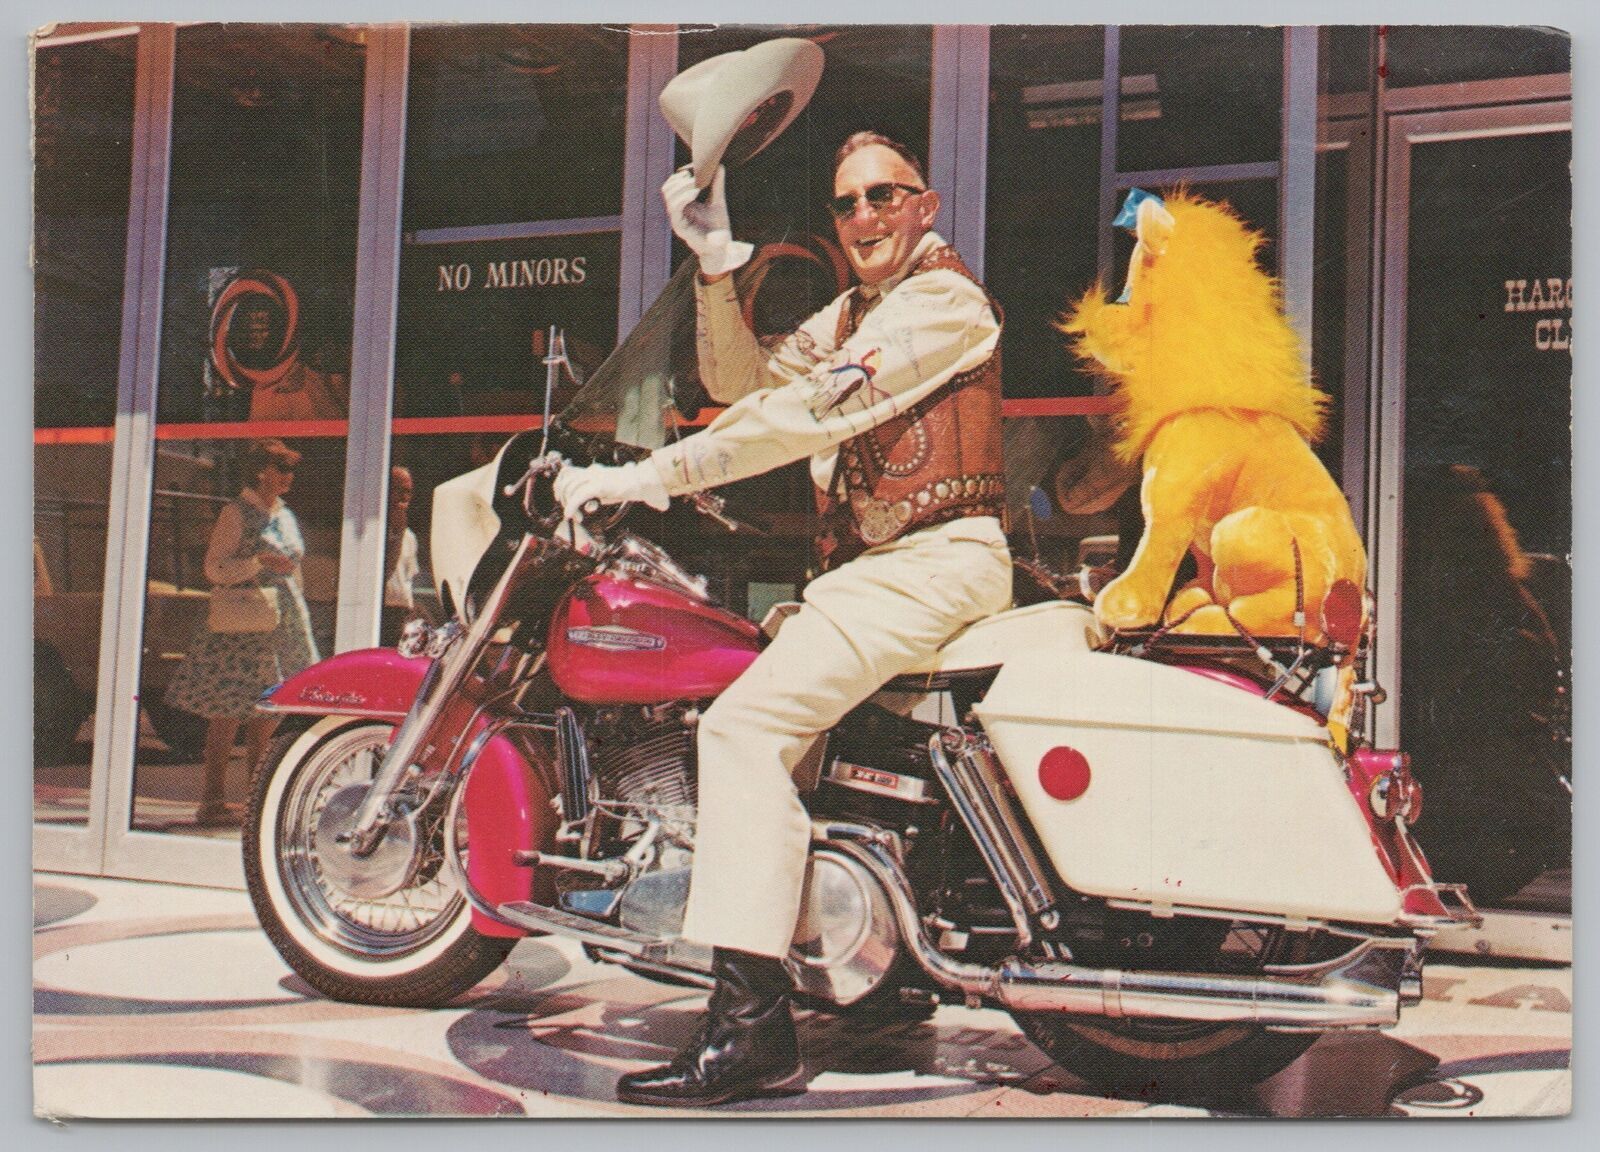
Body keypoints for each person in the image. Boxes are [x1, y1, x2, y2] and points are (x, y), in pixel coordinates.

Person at [556, 133, 1011, 1107]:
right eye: (847, 205)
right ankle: (882, 974)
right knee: (818, 751)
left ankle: (751, 1030)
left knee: (742, 731)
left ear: (925, 206)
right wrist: (716, 263)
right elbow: (745, 387)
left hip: (926, 564)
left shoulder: (943, 303)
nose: (863, 219)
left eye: (883, 197)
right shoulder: (855, 312)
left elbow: (802, 416)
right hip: (874, 574)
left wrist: (647, 476)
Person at [165, 439, 319, 826]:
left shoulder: (284, 514)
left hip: (280, 621)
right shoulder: (235, 513)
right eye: (281, 469)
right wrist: (256, 562)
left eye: (290, 470)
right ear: (260, 472)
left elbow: (294, 565)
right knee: (227, 711)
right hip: (244, 622)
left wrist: (288, 576)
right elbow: (214, 569)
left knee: (268, 709)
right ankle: (211, 800)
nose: (288, 477)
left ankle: (257, 798)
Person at [380, 465, 424, 646]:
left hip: (400, 613)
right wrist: (396, 533)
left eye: (408, 491)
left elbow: (408, 579)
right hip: (380, 612)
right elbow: (386, 571)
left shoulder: (410, 537)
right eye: (398, 490)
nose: (404, 497)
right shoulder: (377, 533)